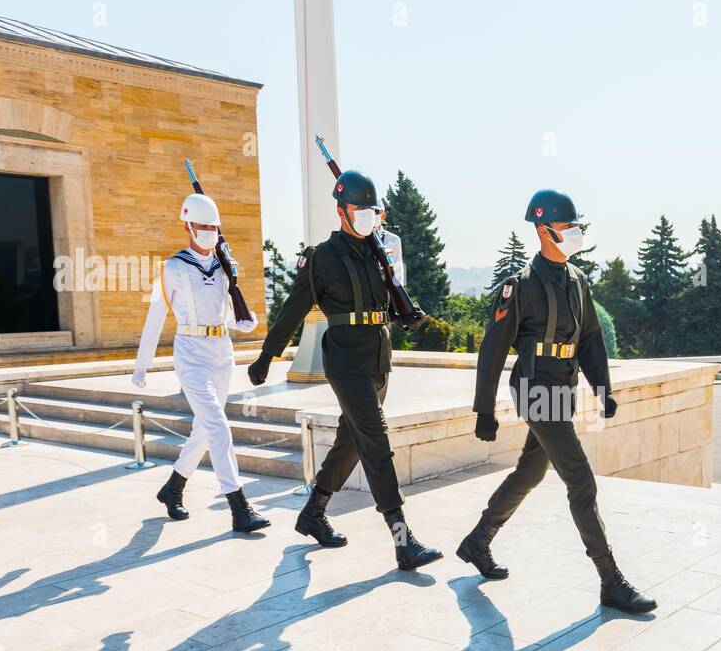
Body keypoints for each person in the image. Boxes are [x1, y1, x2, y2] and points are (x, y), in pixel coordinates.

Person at [459, 189, 656, 615]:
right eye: (568, 227)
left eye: (575, 226)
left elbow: (589, 339)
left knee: (530, 471)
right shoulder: (521, 286)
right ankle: (610, 580)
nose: (575, 233)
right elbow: (492, 351)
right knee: (580, 480)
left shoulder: (577, 280)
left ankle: (478, 541)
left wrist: (603, 388)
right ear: (543, 230)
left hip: (561, 387)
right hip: (534, 388)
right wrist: (484, 411)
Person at [248, 169, 441, 570]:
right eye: (360, 209)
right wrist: (268, 356)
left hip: (378, 355)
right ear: (341, 212)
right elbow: (292, 310)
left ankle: (313, 512)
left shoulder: (378, 253)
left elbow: (389, 297)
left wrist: (405, 314)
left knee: (351, 440)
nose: (368, 215)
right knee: (375, 439)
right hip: (345, 359)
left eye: (372, 209)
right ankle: (403, 539)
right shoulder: (322, 258)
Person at [132, 193, 269, 534]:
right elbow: (155, 316)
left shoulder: (224, 267)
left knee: (206, 429)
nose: (208, 231)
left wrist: (245, 321)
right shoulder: (173, 268)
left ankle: (173, 486)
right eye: (202, 225)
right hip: (191, 354)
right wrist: (142, 363)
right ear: (188, 227)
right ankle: (238, 506)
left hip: (222, 352)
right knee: (219, 426)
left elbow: (226, 312)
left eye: (213, 226)